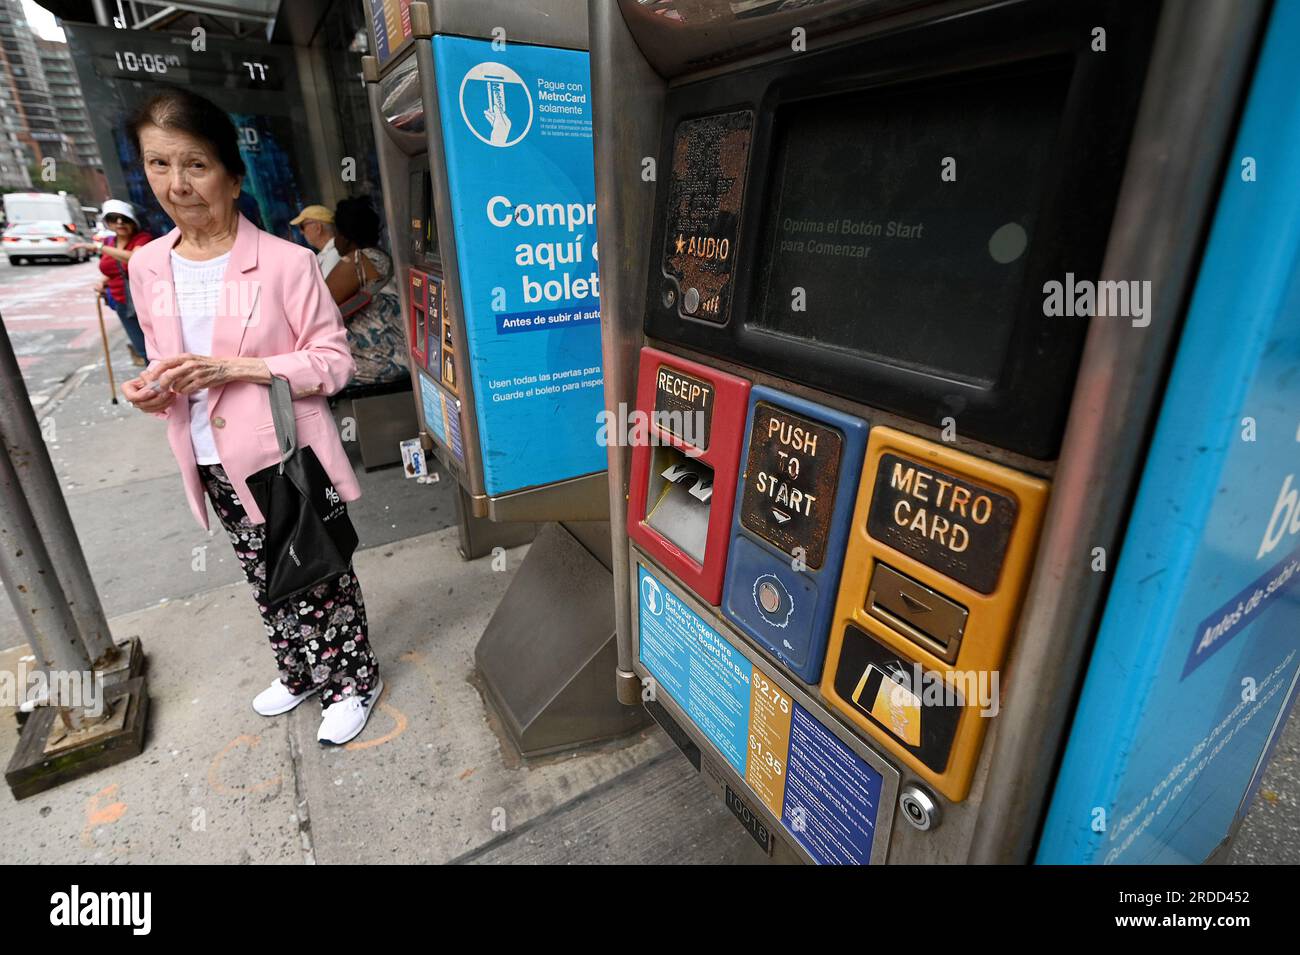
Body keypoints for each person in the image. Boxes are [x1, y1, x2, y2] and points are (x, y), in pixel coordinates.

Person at [118, 87, 383, 745]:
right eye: (158, 165)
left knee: (322, 570)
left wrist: (238, 368)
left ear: (233, 177)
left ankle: (353, 677)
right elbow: (166, 363)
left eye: (195, 165)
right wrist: (155, 392)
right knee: (263, 574)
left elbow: (333, 362)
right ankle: (298, 669)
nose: (176, 184)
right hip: (211, 457)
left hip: (293, 454)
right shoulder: (149, 265)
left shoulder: (288, 263)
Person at [325, 196, 409, 386]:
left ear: (345, 237)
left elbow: (317, 308)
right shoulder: (382, 257)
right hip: (398, 361)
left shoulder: (356, 261)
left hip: (375, 365)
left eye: (336, 233)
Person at [72, 199, 154, 366]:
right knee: (141, 347)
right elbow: (115, 270)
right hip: (121, 301)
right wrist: (103, 281)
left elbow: (134, 259)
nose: (119, 223)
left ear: (133, 221)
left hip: (144, 300)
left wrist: (98, 248)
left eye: (124, 219)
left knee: (154, 347)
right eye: (113, 218)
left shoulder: (142, 239)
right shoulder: (109, 242)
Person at [291, 203, 340, 277]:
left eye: (302, 226)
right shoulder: (325, 254)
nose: (301, 232)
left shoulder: (335, 253)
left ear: (318, 228)